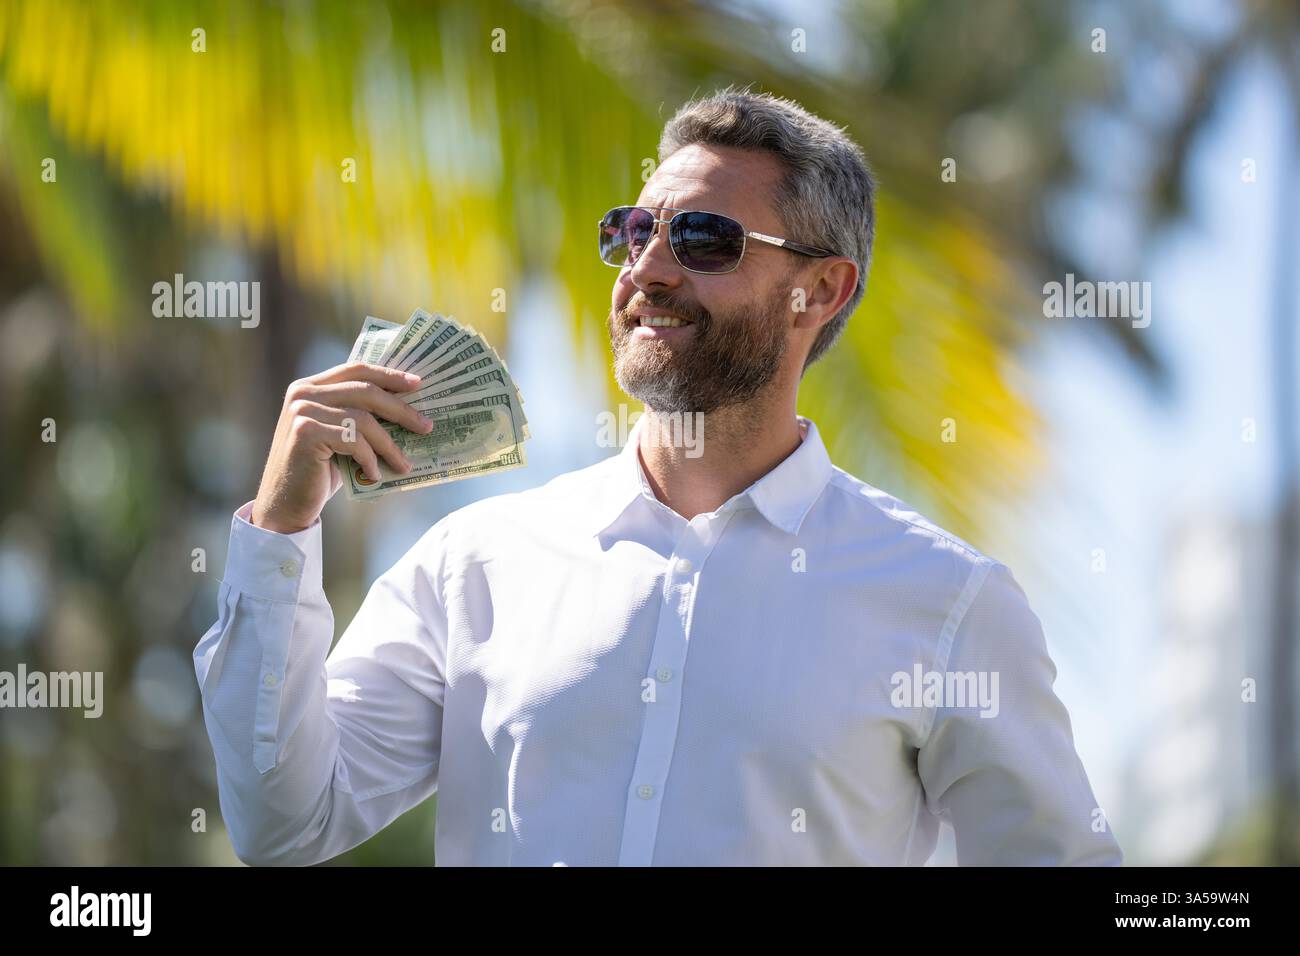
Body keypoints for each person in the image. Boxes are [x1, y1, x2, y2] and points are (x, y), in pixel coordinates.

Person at [193, 88, 1123, 866]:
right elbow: (284, 822)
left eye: (707, 239)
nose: (649, 269)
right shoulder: (474, 563)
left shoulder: (950, 604)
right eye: (633, 231)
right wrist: (279, 528)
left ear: (820, 291)